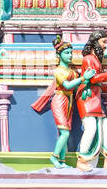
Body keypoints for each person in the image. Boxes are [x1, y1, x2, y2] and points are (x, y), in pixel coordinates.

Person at [32, 34, 89, 168]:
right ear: (59, 55)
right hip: (60, 99)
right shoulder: (58, 70)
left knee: (65, 130)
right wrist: (82, 78)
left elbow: (77, 86)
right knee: (65, 132)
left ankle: (62, 161)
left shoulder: (72, 71)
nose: (70, 55)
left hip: (69, 101)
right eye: (67, 53)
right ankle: (54, 157)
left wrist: (86, 84)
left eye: (71, 53)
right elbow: (68, 86)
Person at [76, 29, 107, 172]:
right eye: (103, 42)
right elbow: (92, 79)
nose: (105, 46)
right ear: (95, 42)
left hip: (95, 99)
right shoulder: (89, 58)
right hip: (86, 99)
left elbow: (98, 84)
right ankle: (81, 161)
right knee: (91, 128)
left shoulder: (96, 60)